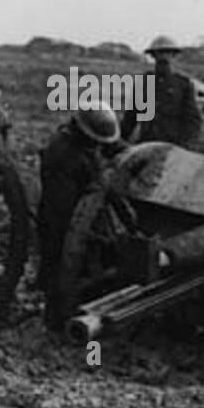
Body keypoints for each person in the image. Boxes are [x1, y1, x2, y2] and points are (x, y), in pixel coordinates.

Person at [37, 102, 122, 330]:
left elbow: (107, 148)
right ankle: (58, 320)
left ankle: (79, 304)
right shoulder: (63, 155)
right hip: (61, 217)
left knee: (83, 263)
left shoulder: (80, 142)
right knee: (59, 264)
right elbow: (63, 207)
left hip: (82, 214)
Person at [138, 35, 202, 147]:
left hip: (172, 145)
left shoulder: (183, 84)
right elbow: (131, 116)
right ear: (153, 56)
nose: (164, 57)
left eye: (168, 53)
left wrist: (185, 144)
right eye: (160, 53)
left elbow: (193, 119)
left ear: (174, 55)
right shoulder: (143, 82)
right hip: (146, 143)